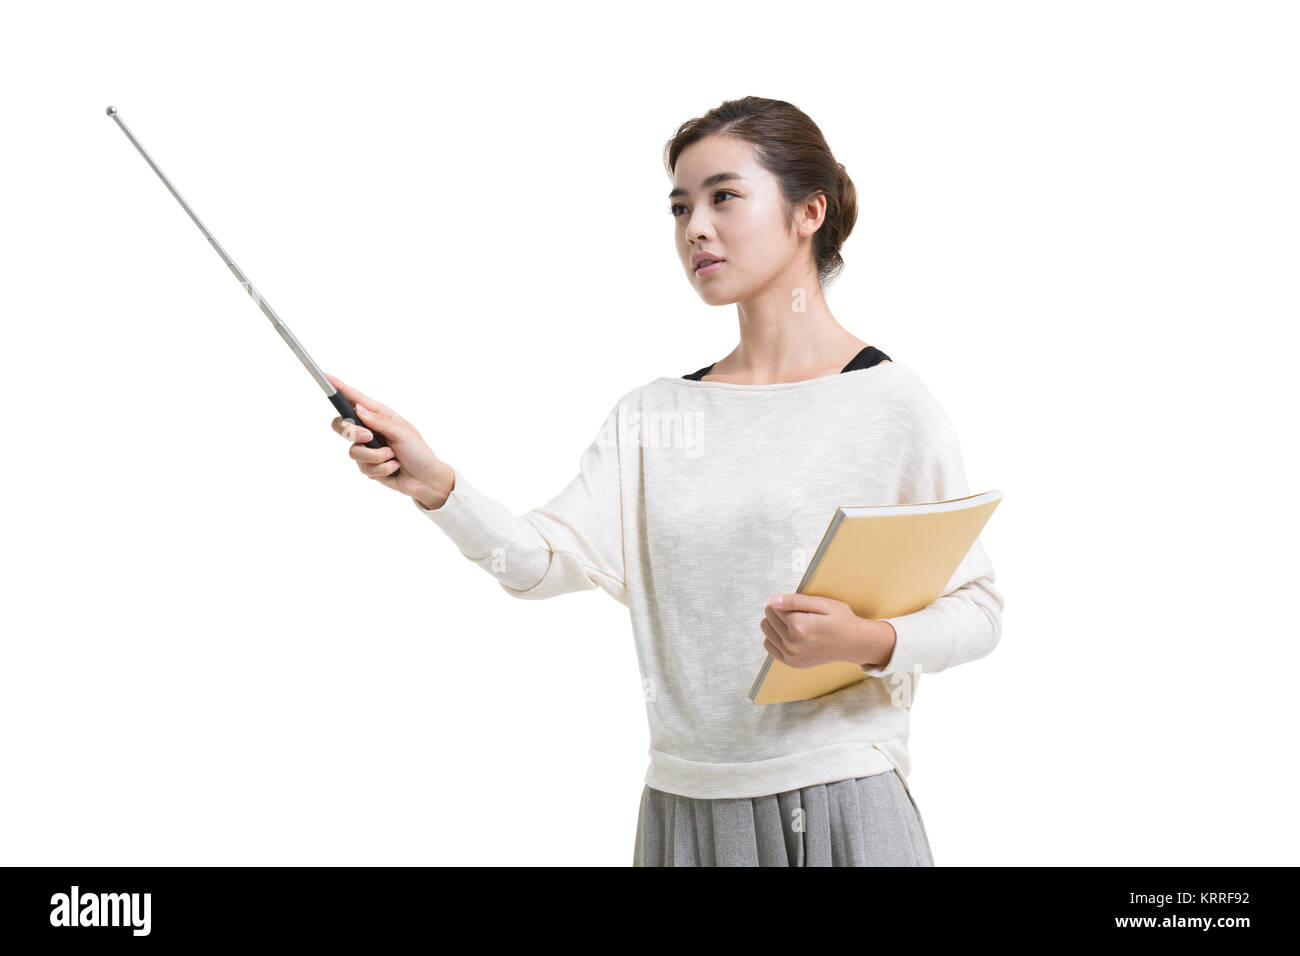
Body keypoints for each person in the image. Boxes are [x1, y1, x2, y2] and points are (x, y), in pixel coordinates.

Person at [326, 96, 1003, 866]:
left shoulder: (889, 402)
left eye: (724, 196)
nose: (695, 229)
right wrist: (436, 483)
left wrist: (870, 641)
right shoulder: (653, 415)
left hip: (840, 801)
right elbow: (537, 562)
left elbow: (977, 609)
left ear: (808, 211)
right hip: (686, 806)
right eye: (680, 207)